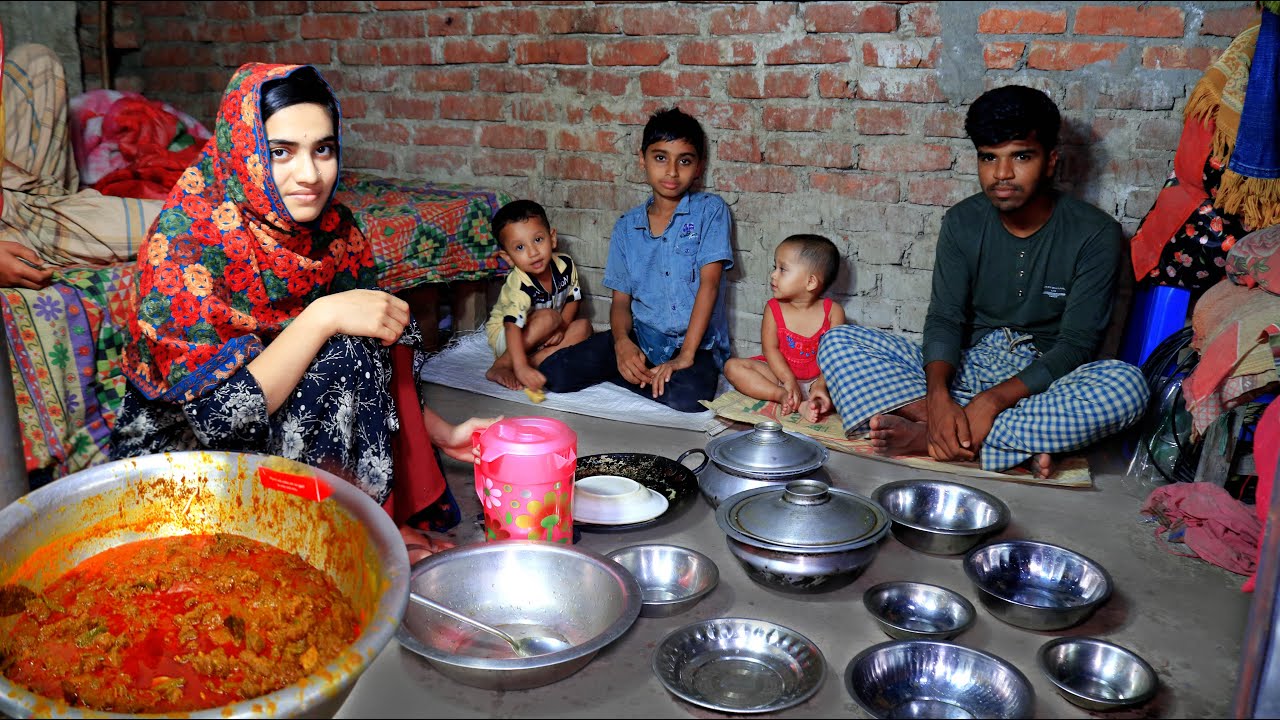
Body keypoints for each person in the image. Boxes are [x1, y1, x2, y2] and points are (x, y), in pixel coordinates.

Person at [108, 62, 495, 562]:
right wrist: (321, 316)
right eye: (280, 152)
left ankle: (362, 521)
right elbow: (220, 420)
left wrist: (442, 434)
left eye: (323, 150)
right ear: (243, 152)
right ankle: (333, 538)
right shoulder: (187, 244)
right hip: (188, 459)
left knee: (378, 324)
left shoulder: (333, 230)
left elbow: (376, 359)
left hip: (278, 428)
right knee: (342, 338)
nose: (310, 175)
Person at [816, 85, 1150, 478]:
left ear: (1050, 162)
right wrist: (940, 398)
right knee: (839, 342)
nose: (1001, 174)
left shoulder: (1095, 233)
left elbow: (1077, 346)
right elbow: (945, 318)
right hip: (967, 365)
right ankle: (983, 437)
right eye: (988, 158)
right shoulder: (963, 221)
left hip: (1040, 383)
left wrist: (991, 402)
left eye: (1021, 157)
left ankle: (930, 439)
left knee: (1127, 388)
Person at [537, 107, 732, 413]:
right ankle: (636, 370)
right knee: (556, 375)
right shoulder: (628, 227)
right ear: (642, 159)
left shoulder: (711, 211)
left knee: (691, 398)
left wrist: (685, 356)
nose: (671, 171)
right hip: (642, 337)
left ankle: (639, 372)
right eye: (660, 158)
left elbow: (710, 285)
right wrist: (621, 344)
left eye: (684, 160)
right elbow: (619, 302)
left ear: (698, 167)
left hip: (696, 345)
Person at [0, 42, 163, 288]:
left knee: (35, 59)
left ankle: (49, 211)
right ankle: (47, 235)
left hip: (14, 196)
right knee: (190, 222)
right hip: (9, 226)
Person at [723, 234, 845, 422]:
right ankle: (781, 396)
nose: (773, 274)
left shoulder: (833, 312)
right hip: (780, 375)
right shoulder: (774, 308)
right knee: (732, 367)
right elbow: (770, 349)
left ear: (810, 282)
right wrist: (788, 381)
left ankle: (815, 402)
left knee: (849, 386)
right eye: (775, 267)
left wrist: (821, 384)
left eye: (783, 269)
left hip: (820, 380)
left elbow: (836, 358)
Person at [483, 199, 592, 392]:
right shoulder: (519, 283)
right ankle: (503, 365)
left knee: (584, 327)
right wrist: (518, 364)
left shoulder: (565, 265)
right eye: (519, 248)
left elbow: (573, 300)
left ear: (552, 238)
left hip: (547, 331)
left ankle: (532, 363)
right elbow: (512, 327)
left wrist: (562, 327)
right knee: (549, 317)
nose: (533, 252)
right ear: (508, 258)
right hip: (509, 338)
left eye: (538, 240)